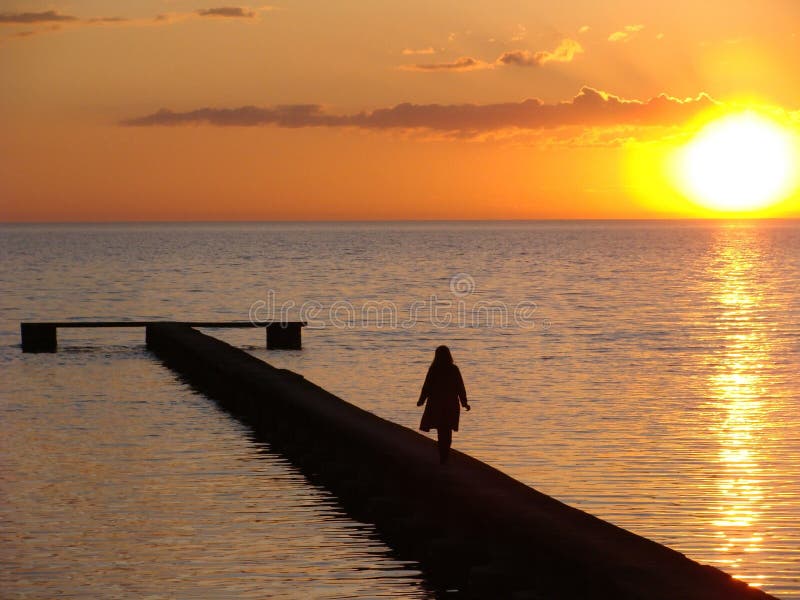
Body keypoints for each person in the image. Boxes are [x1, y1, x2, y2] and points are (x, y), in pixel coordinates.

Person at [417, 345, 470, 464]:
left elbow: (427, 387)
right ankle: (445, 455)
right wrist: (464, 403)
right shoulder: (453, 369)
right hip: (451, 404)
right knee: (447, 430)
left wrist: (421, 400)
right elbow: (460, 387)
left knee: (441, 431)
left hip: (436, 404)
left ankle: (443, 456)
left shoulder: (434, 369)